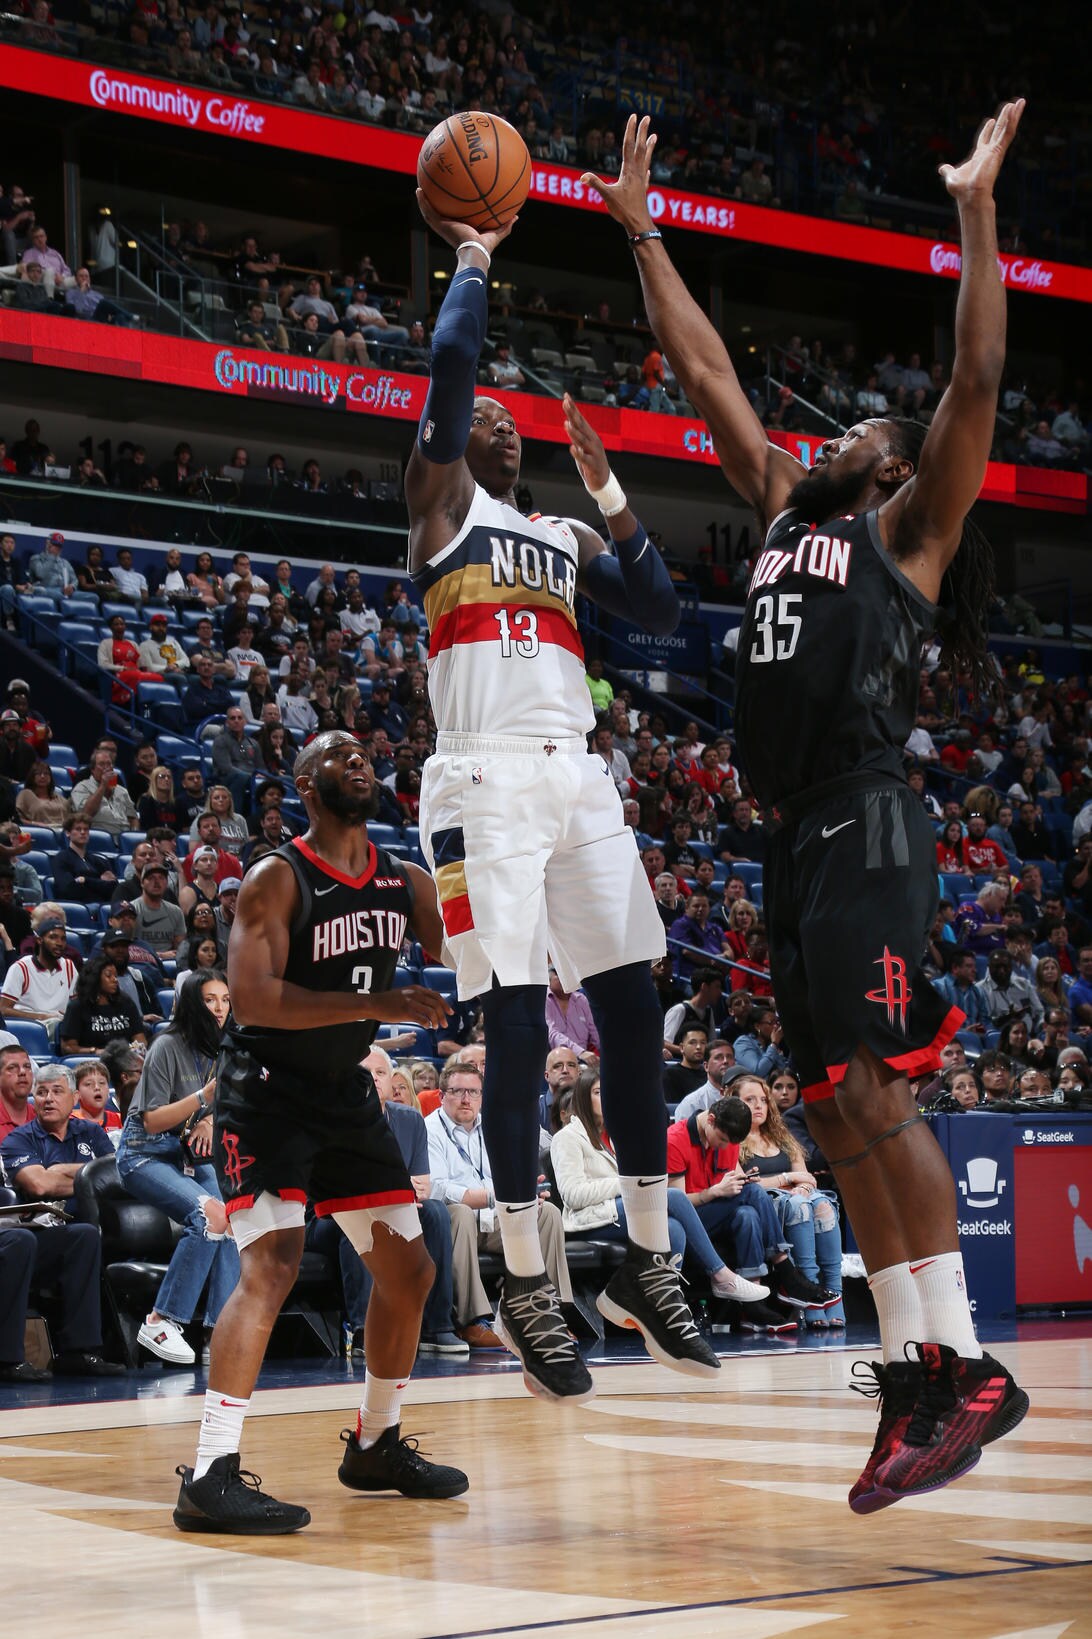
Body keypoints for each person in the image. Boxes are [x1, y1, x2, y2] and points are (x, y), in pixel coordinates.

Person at [589, 109, 1030, 1506]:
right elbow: (705, 364)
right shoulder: (784, 504)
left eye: (864, 428)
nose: (838, 428)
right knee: (833, 1106)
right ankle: (915, 1374)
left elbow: (975, 374)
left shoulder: (908, 533)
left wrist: (970, 215)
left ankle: (966, 1361)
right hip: (788, 834)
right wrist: (641, 230)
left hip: (867, 816)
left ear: (897, 467)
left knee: (875, 1085)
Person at [407, 189, 717, 1401]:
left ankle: (645, 1257)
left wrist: (614, 500)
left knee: (634, 1003)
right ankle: (530, 1274)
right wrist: (476, 255)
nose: (494, 416)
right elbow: (445, 362)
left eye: (505, 416)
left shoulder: (557, 530)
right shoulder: (439, 511)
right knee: (520, 1023)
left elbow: (663, 613)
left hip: (579, 775)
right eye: (476, 415)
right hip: (479, 779)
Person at [173, 733, 464, 1535]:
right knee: (272, 1264)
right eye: (339, 756)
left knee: (409, 1269)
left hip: (341, 1094)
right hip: (265, 1092)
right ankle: (209, 1473)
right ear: (306, 784)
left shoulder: (403, 880)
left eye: (365, 752)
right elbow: (258, 1000)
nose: (360, 759)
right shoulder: (278, 876)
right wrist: (384, 1006)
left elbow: (461, 948)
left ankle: (376, 1443)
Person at [551, 1068, 768, 1320]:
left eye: (609, 1092)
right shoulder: (567, 1138)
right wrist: (627, 1184)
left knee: (672, 1226)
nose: (607, 1098)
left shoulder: (615, 1137)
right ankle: (721, 1275)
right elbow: (572, 1195)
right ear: (582, 1098)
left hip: (619, 1210)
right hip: (589, 1220)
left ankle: (665, 1304)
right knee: (673, 1197)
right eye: (599, 1093)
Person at [116, 970, 239, 1366]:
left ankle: (220, 1333)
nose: (220, 1008)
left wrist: (207, 1119)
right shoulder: (166, 1045)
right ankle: (161, 1319)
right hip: (144, 1151)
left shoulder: (225, 1047)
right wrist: (202, 1098)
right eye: (210, 999)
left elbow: (223, 1107)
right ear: (192, 1003)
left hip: (184, 1149)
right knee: (210, 1217)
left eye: (225, 998)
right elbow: (151, 1120)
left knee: (232, 1220)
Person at [426, 1058, 573, 1350]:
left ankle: (544, 1312)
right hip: (455, 1224)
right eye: (457, 1091)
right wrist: (499, 1195)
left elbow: (513, 1173)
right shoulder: (429, 1129)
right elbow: (437, 1188)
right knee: (459, 1212)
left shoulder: (494, 1126)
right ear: (442, 1096)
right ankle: (473, 1320)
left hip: (494, 1219)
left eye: (474, 1092)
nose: (466, 1099)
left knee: (548, 1214)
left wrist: (528, 1195)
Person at [736, 1074, 845, 1326]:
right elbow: (745, 1185)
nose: (758, 1105)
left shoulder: (782, 1135)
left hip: (797, 1199)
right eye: (749, 1100)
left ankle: (836, 1295)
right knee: (799, 1207)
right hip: (760, 1204)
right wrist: (787, 1178)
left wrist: (804, 1187)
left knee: (822, 1205)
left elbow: (807, 1177)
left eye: (763, 1100)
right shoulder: (733, 1141)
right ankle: (807, 1292)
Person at [1, 914, 77, 1028]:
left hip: (60, 1026)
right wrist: (41, 1016)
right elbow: (3, 1009)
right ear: (39, 940)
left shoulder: (69, 966)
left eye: (63, 938)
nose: (59, 943)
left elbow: (78, 1004)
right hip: (30, 1026)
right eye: (53, 937)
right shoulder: (21, 967)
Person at [59, 955, 145, 1055]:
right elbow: (67, 1047)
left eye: (115, 976)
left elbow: (140, 1037)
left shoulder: (125, 1002)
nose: (115, 980)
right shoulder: (77, 1007)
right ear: (94, 978)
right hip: (92, 1062)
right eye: (109, 976)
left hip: (125, 1060)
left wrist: (137, 1048)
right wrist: (96, 1051)